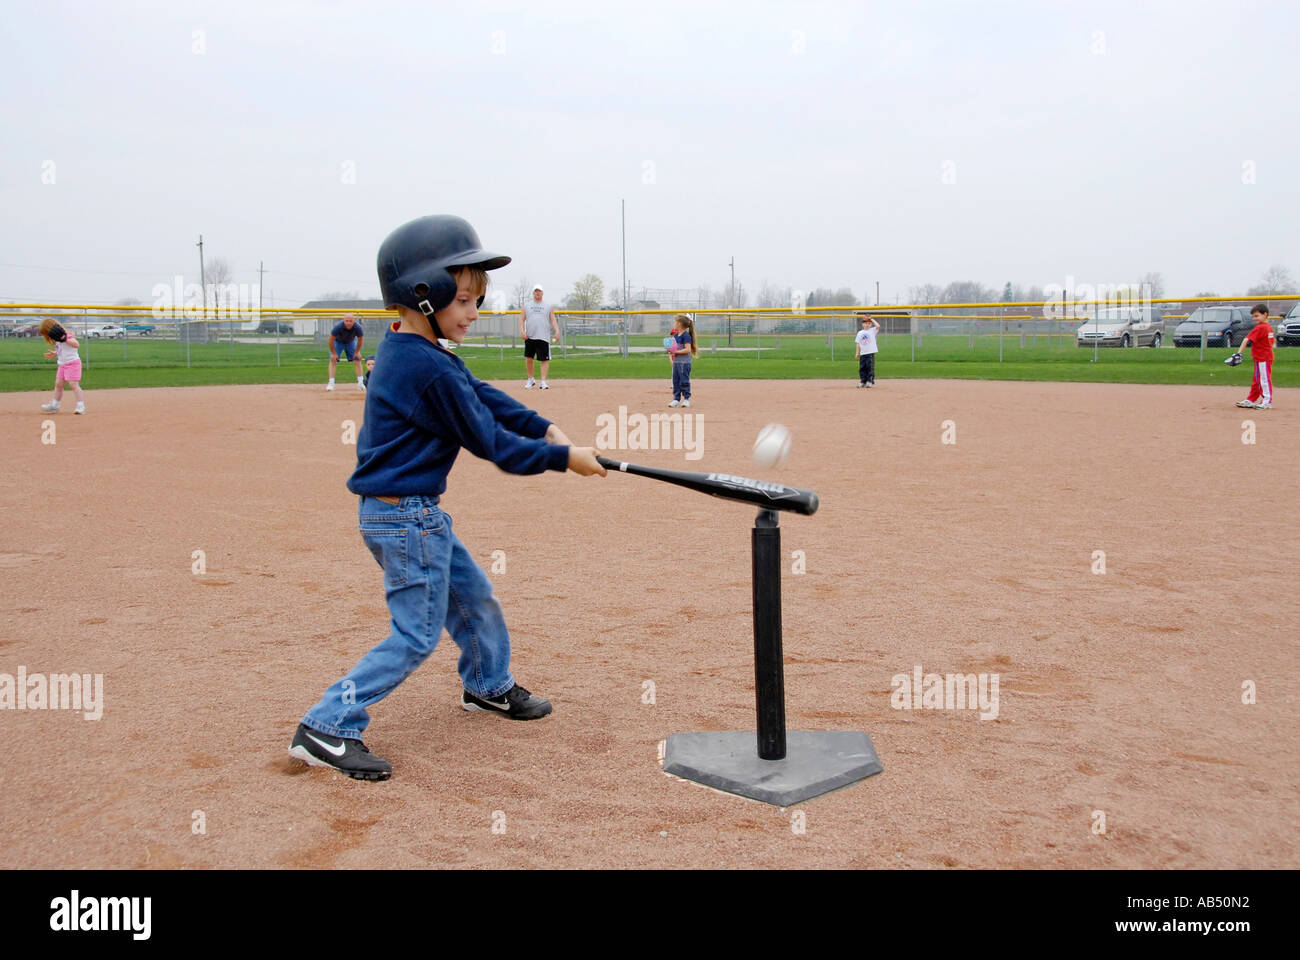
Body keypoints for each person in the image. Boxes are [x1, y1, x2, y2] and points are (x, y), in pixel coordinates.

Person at [288, 215, 606, 781]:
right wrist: (564, 459)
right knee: (415, 634)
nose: (473, 314)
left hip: (411, 515)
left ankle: (487, 685)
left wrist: (545, 425)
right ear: (424, 294)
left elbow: (481, 393)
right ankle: (326, 725)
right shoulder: (425, 368)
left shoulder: (417, 353)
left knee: (474, 597)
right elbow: (491, 443)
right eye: (463, 300)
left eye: (476, 301)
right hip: (405, 518)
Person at [38, 318, 86, 414]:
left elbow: (76, 345)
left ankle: (81, 406)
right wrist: (55, 353)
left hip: (72, 363)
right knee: (58, 385)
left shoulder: (66, 336)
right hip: (62, 364)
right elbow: (63, 349)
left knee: (73, 385)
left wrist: (64, 339)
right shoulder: (57, 339)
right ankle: (55, 405)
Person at [1233, 304, 1276, 410]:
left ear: (1265, 314)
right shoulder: (1268, 327)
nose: (1254, 318)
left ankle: (1267, 401)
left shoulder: (1261, 327)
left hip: (1263, 358)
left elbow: (1246, 340)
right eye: (1253, 316)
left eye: (1257, 316)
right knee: (1257, 379)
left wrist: (1238, 353)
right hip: (1261, 358)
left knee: (1263, 380)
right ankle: (1251, 399)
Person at [519, 284, 559, 389]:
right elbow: (522, 320)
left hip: (543, 336)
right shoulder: (527, 306)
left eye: (539, 291)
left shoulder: (548, 306)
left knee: (544, 360)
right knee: (529, 358)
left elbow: (553, 320)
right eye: (536, 291)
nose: (537, 293)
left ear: (542, 293)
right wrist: (522, 331)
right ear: (533, 293)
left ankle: (543, 381)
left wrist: (557, 331)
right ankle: (531, 379)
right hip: (530, 336)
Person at [327, 314, 366, 391]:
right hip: (337, 342)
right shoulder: (338, 326)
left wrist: (357, 352)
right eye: (346, 321)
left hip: (350, 341)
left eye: (350, 321)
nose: (348, 323)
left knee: (357, 359)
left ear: (354, 321)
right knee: (333, 360)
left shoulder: (358, 327)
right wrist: (333, 353)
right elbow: (330, 339)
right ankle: (331, 383)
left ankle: (361, 383)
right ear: (344, 321)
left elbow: (360, 340)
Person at [667, 313, 697, 407]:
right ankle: (676, 399)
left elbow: (688, 349)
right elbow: (674, 349)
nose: (674, 324)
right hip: (676, 363)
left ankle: (686, 399)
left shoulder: (686, 336)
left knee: (684, 381)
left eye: (675, 322)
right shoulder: (676, 336)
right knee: (675, 381)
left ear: (679, 324)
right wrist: (671, 350)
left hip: (684, 363)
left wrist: (676, 352)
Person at [855, 314, 881, 388]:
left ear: (871, 324)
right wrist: (857, 353)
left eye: (869, 323)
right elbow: (858, 344)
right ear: (862, 324)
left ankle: (870, 381)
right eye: (865, 323)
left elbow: (878, 326)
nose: (867, 325)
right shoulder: (860, 333)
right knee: (862, 368)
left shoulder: (872, 330)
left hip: (870, 353)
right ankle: (863, 381)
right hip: (862, 353)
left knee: (870, 367)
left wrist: (871, 318)